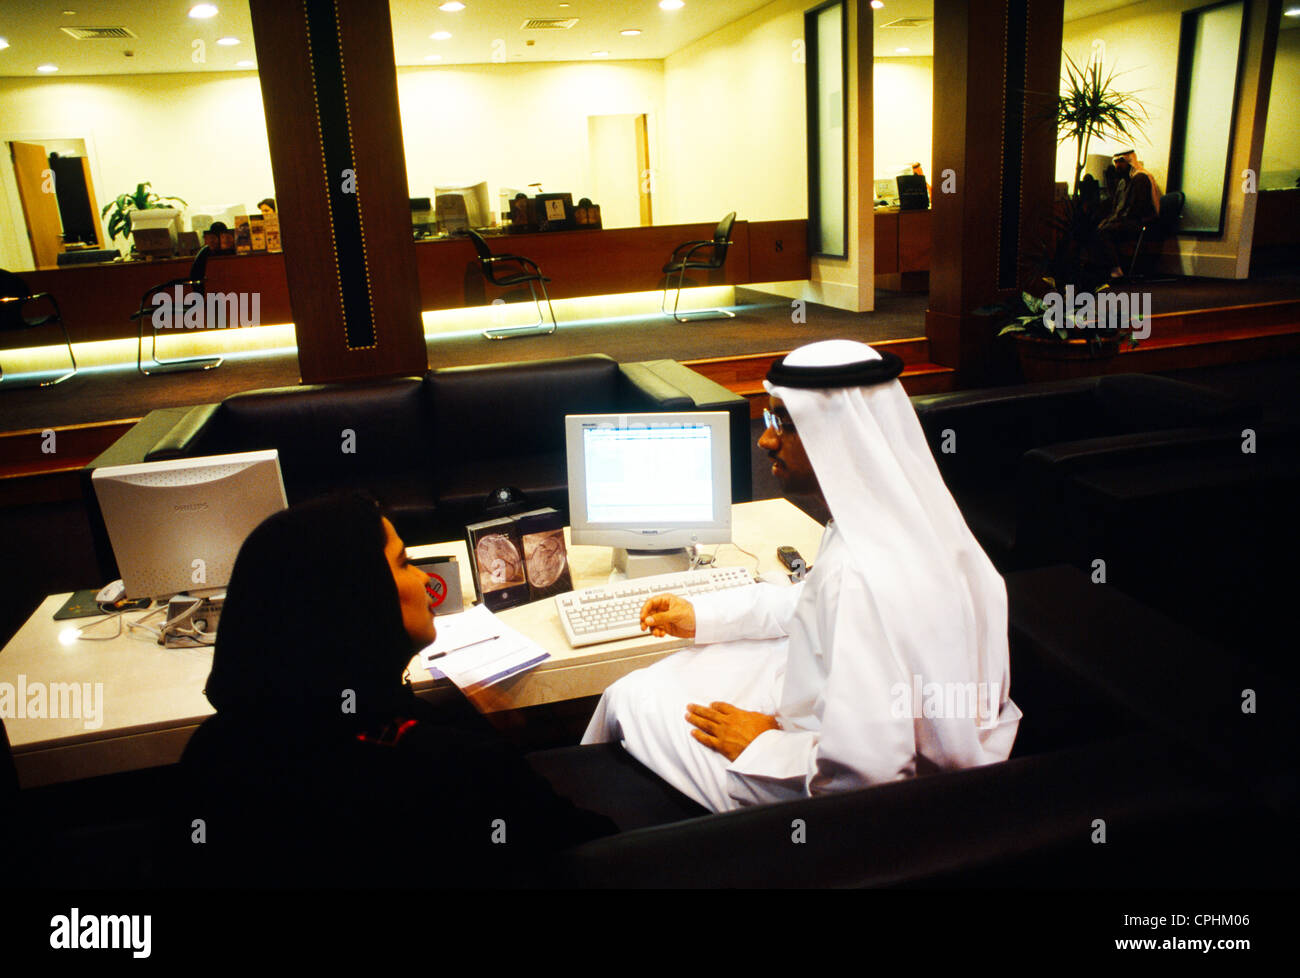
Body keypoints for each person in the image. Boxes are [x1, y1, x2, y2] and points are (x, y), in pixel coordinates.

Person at [582, 340, 1021, 813]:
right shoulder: (910, 516)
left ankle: (592, 824)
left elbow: (864, 777)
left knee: (631, 695)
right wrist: (701, 616)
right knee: (694, 663)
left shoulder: (858, 574)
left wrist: (766, 740)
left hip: (842, 800)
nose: (765, 440)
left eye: (783, 425)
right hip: (883, 732)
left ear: (838, 434)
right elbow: (805, 605)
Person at [179, 493, 613, 886]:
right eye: (404, 564)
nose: (426, 582)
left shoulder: (211, 751)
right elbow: (586, 844)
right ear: (359, 595)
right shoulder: (458, 769)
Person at [1098, 149, 1162, 278]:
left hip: (1141, 222)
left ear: (1130, 161)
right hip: (1126, 221)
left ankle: (1116, 269)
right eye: (1115, 162)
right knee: (1096, 226)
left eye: (1121, 161)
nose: (1118, 165)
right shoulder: (1122, 182)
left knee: (1104, 231)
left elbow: (1135, 210)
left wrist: (1112, 222)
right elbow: (1116, 207)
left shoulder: (1141, 178)